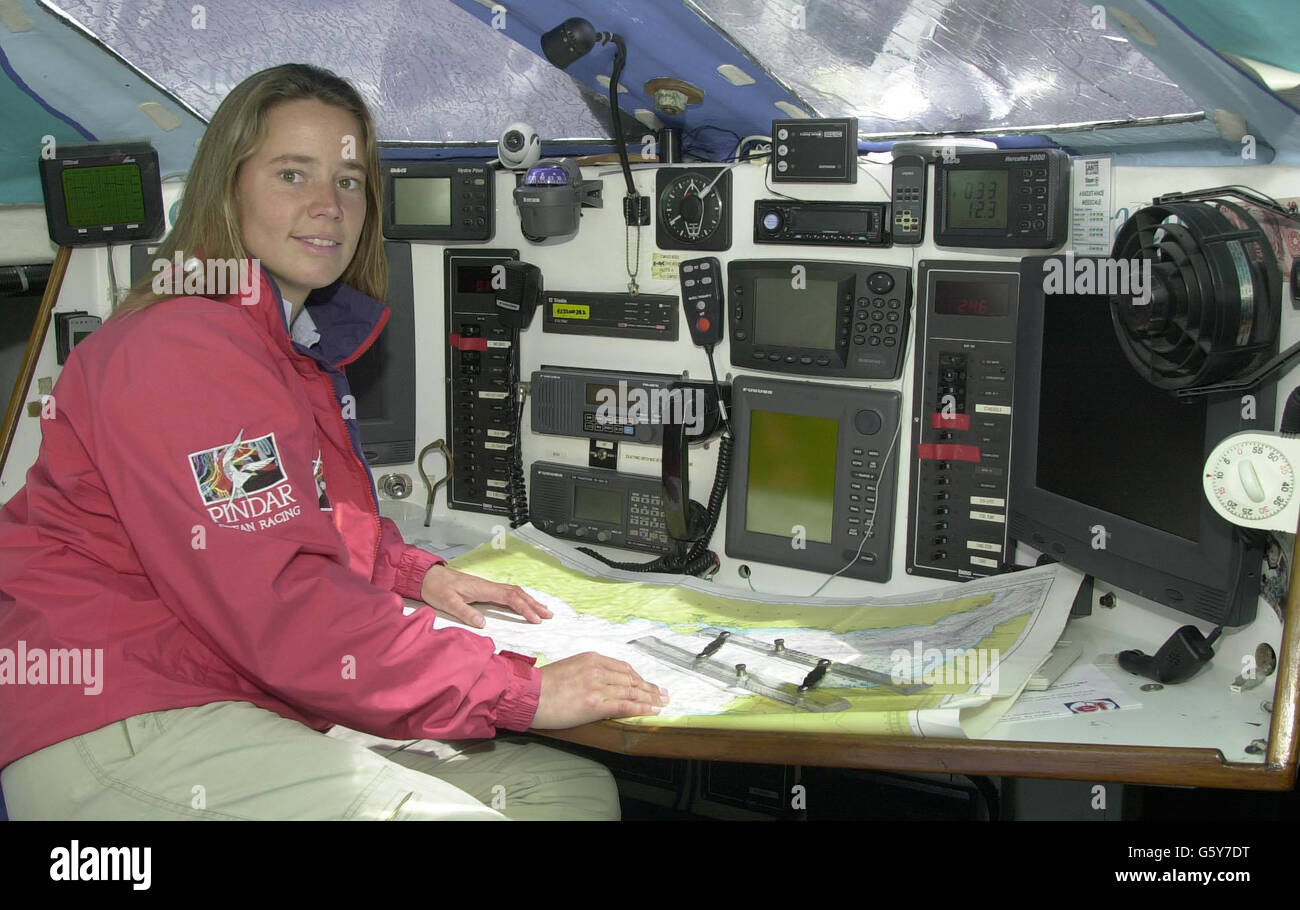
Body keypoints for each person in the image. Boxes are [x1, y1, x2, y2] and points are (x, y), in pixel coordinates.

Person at [0, 63, 667, 820]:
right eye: (293, 174)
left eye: (349, 181)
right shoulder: (184, 350)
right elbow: (278, 598)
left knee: (567, 791)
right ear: (228, 189)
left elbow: (289, 522)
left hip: (226, 690)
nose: (328, 205)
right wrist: (520, 689)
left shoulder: (281, 346)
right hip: (121, 724)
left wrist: (408, 573)